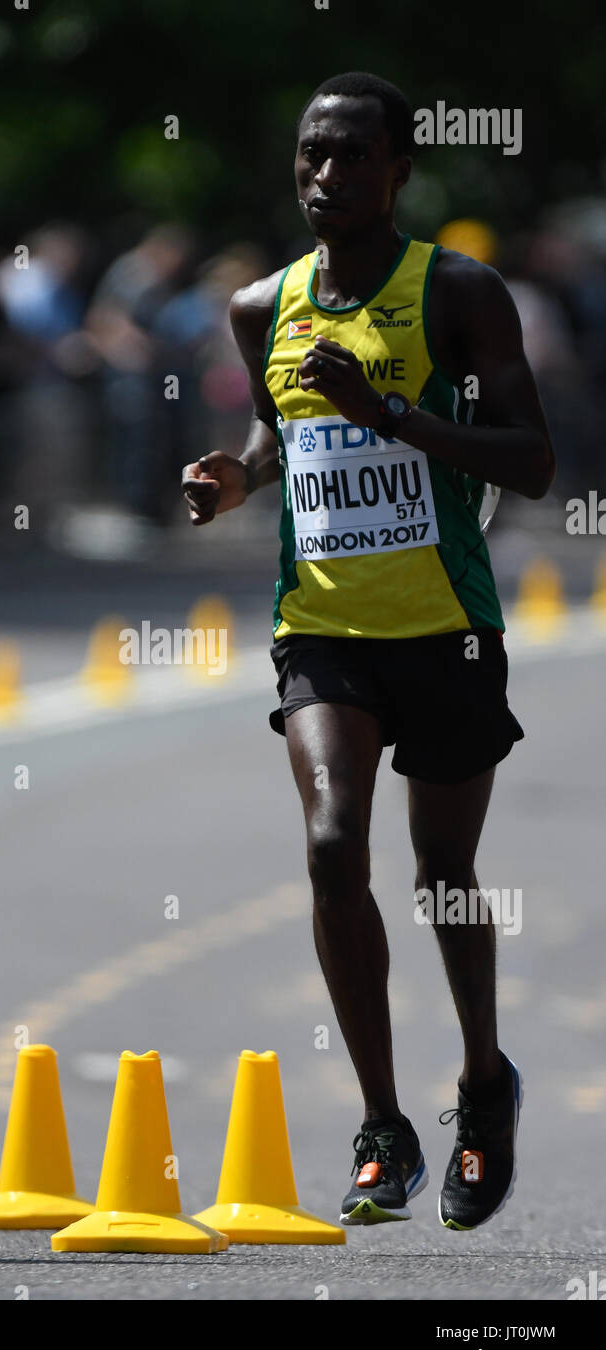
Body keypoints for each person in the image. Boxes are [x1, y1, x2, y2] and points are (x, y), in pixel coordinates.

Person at [182, 72, 555, 1230]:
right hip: (322, 626)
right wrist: (235, 472)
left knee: (442, 875)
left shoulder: (455, 291)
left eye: (349, 156)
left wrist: (392, 415)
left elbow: (531, 459)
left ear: (398, 169)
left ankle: (482, 1088)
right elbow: (273, 425)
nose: (324, 176)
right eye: (308, 156)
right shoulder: (263, 305)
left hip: (441, 623)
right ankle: (382, 1125)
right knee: (333, 844)